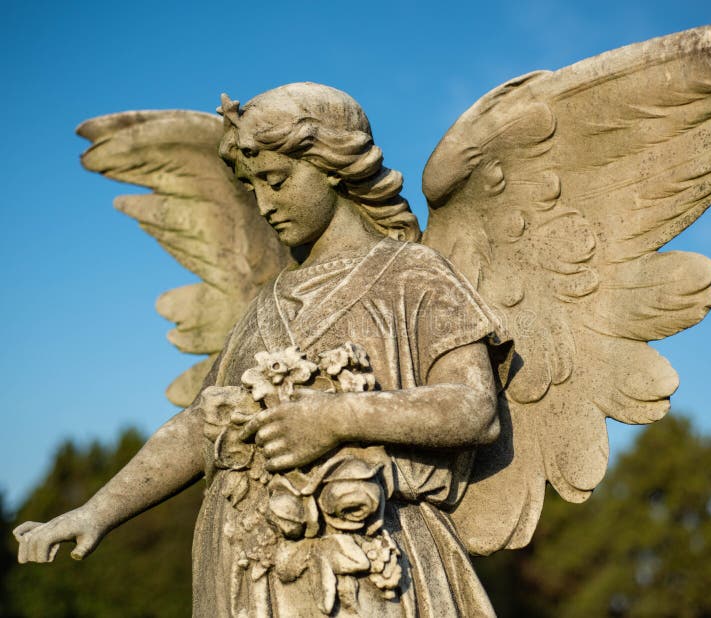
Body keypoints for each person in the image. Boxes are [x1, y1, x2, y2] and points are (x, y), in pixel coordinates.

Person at [15, 83, 502, 617]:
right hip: (245, 569)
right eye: (253, 189)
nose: (265, 205)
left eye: (277, 181)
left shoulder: (411, 274)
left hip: (367, 570)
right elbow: (203, 422)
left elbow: (474, 407)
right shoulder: (265, 302)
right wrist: (96, 511)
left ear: (333, 166)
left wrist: (336, 418)